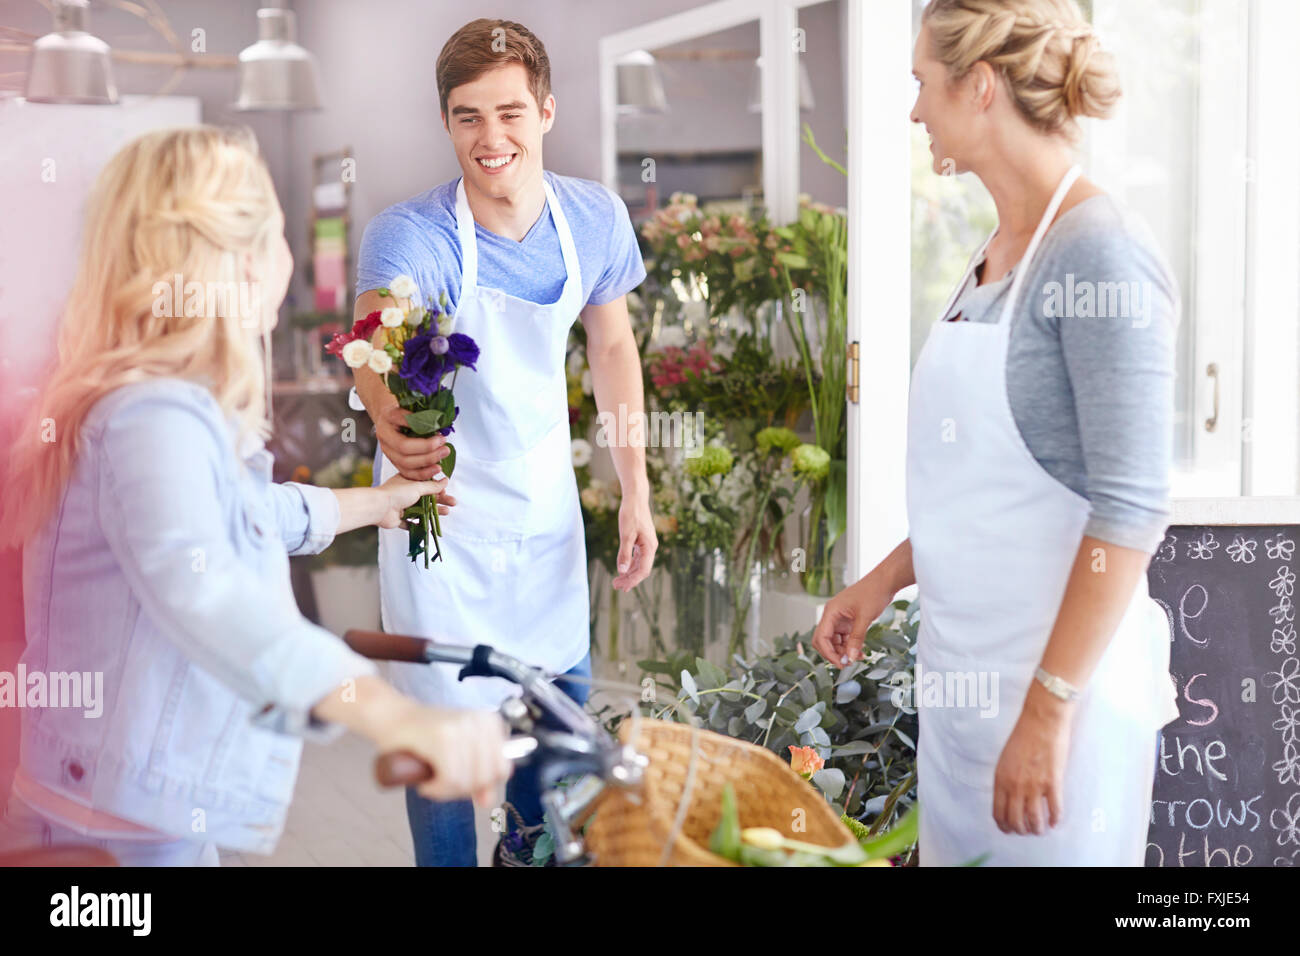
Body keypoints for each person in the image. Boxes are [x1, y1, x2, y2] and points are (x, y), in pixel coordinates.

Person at [0, 126, 511, 866]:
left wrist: (381, 502)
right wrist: (396, 715)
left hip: (125, 809)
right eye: (275, 234)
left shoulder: (151, 402)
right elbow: (204, 592)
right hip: (119, 830)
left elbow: (242, 515)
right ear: (239, 260)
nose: (290, 259)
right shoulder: (153, 414)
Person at [812, 0, 1180, 865]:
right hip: (968, 696)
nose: (912, 111)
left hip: (1060, 718)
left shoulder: (1099, 254)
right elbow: (982, 484)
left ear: (978, 88)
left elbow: (1127, 511)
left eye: (921, 85)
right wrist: (882, 580)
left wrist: (1048, 714)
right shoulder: (997, 248)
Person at [350, 18, 656, 866]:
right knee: (446, 755)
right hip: (439, 527)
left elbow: (614, 346)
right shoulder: (413, 235)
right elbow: (373, 347)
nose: (491, 139)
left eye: (511, 113)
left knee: (549, 754)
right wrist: (388, 420)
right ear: (447, 123)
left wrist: (634, 484)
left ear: (547, 111)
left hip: (543, 512)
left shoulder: (592, 218)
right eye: (468, 116)